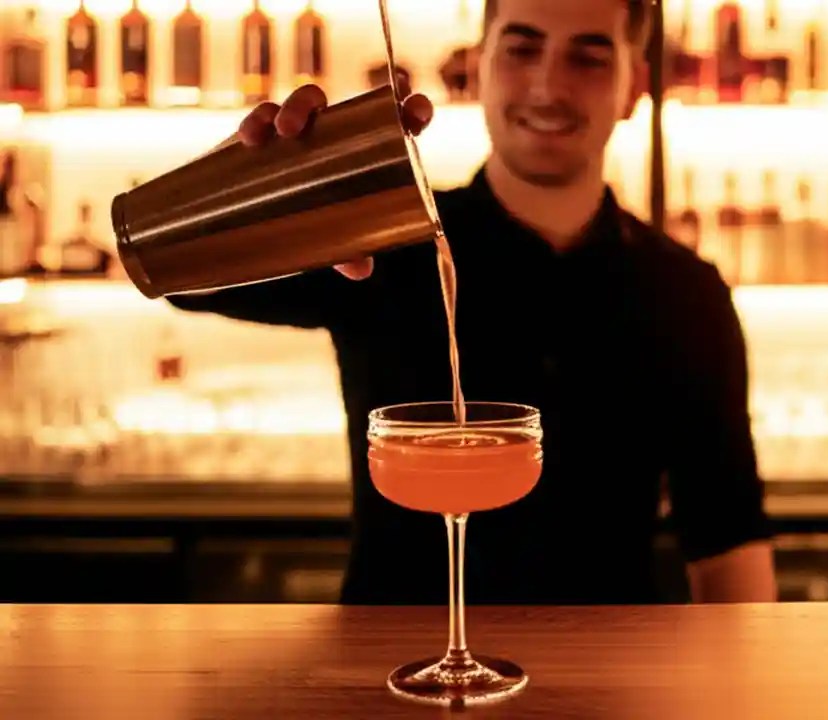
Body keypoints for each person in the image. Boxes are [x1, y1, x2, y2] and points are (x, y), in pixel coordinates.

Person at [171, 0, 776, 605]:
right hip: (390, 679)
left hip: (609, 683)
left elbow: (729, 543)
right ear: (479, 67)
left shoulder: (686, 291)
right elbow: (183, 274)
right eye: (521, 48)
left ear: (633, 88)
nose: (547, 85)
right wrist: (243, 185)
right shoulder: (381, 246)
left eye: (588, 57)